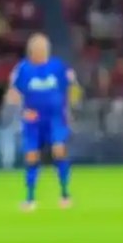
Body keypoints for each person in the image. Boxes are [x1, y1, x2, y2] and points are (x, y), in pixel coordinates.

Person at [6, 33, 78, 211]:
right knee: (31, 155)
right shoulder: (23, 69)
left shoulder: (58, 67)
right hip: (34, 121)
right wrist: (22, 111)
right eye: (37, 49)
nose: (40, 52)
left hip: (55, 118)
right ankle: (30, 198)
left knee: (59, 150)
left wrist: (69, 108)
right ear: (31, 51)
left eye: (43, 48)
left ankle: (65, 194)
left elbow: (71, 87)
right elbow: (13, 94)